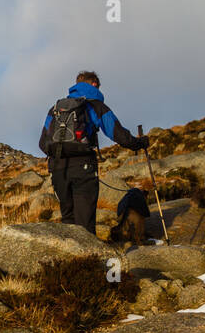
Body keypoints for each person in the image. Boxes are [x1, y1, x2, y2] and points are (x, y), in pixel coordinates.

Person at [39, 72, 149, 234]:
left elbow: (42, 143)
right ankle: (88, 257)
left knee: (68, 219)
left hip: (58, 169)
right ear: (94, 85)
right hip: (84, 168)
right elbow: (118, 134)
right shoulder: (95, 106)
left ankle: (71, 257)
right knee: (85, 221)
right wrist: (139, 143)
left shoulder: (55, 109)